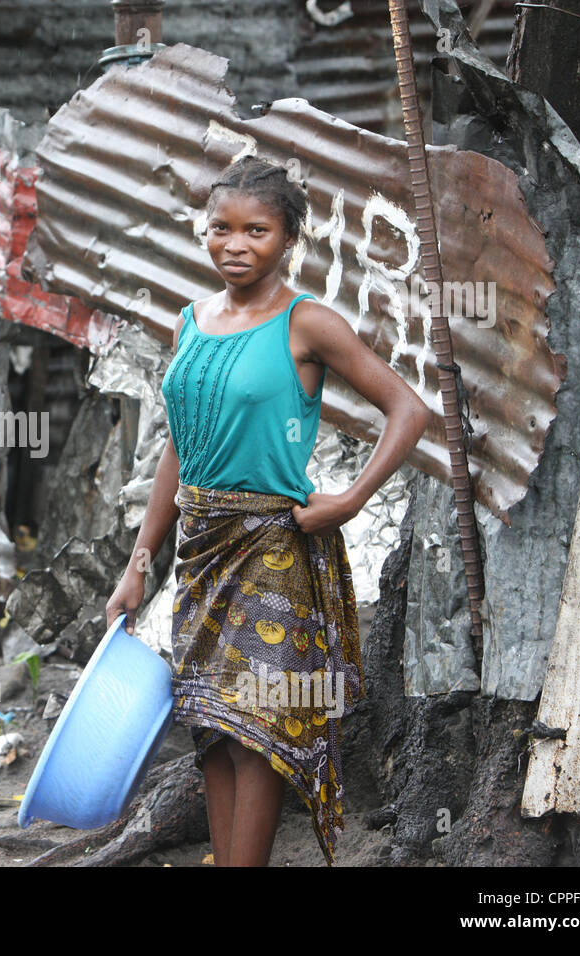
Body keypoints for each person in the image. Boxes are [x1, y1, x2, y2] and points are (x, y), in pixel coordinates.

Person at [105, 156, 431, 866]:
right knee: (213, 731)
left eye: (256, 231)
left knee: (257, 731)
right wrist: (140, 564)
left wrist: (350, 498)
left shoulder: (306, 322)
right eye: (220, 228)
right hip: (200, 552)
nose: (235, 245)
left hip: (274, 549)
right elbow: (178, 449)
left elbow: (408, 409)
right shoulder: (190, 321)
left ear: (288, 240)